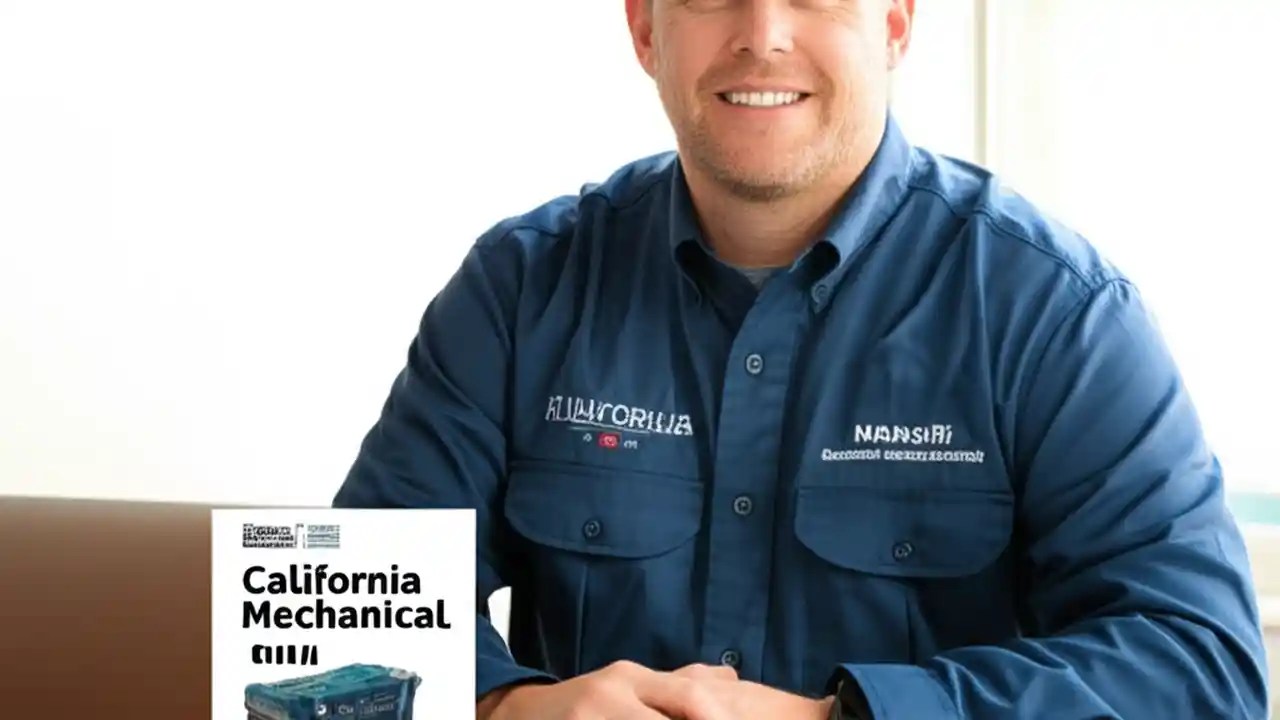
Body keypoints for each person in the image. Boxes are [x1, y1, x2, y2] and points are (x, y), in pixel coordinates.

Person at [332, 0, 1271, 717]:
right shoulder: (519, 289)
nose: (762, 34)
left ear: (895, 23)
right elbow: (332, 619)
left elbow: (1201, 669)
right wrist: (507, 705)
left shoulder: (1057, 314)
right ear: (645, 29)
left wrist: (843, 717)